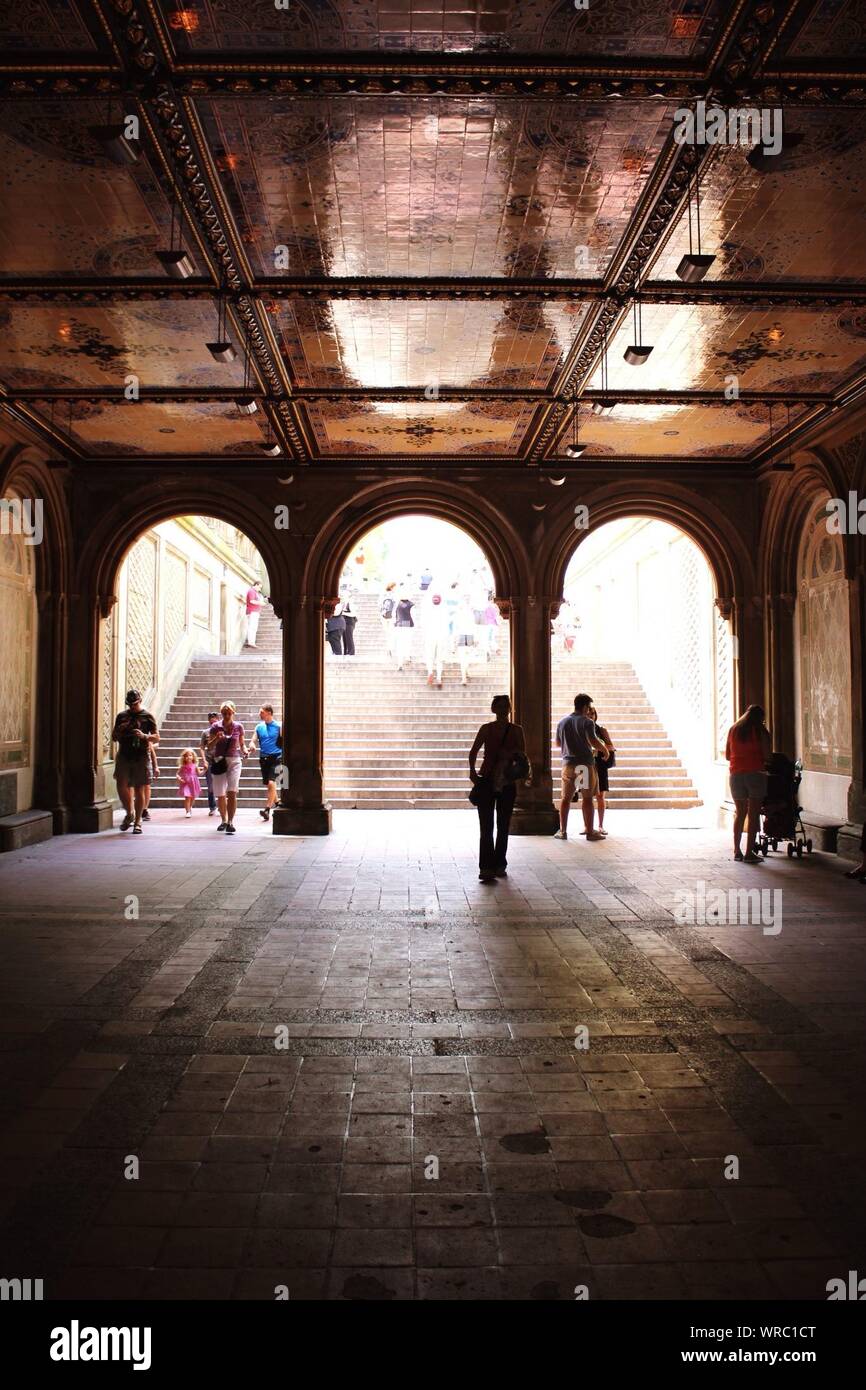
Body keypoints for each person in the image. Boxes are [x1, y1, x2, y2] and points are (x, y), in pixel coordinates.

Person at [469, 694, 529, 883]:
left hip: (507, 780)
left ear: (510, 709)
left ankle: (499, 863)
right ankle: (487, 866)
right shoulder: (486, 729)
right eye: (500, 706)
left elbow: (522, 754)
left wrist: (511, 756)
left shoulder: (516, 730)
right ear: (494, 709)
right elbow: (474, 751)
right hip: (487, 779)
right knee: (486, 826)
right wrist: (472, 772)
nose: (503, 709)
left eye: (506, 706)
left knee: (503, 825)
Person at [554, 693, 609, 841]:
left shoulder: (562, 722)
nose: (589, 710)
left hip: (567, 764)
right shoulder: (587, 722)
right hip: (583, 765)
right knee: (587, 798)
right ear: (585, 706)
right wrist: (604, 749)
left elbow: (558, 743)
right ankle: (590, 832)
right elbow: (593, 741)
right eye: (589, 707)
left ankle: (563, 831)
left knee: (565, 798)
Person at [726, 704, 772, 863]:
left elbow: (727, 755)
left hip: (735, 775)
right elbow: (768, 756)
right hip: (755, 775)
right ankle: (749, 853)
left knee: (739, 813)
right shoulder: (760, 731)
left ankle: (737, 850)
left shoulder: (733, 730)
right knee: (753, 815)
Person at [111, 689, 159, 835]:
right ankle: (129, 812)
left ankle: (138, 821)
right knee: (121, 784)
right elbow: (113, 737)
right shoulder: (121, 716)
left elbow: (157, 737)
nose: (132, 706)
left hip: (141, 755)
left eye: (135, 703)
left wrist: (144, 736)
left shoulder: (147, 716)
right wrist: (120, 729)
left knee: (139, 788)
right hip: (124, 754)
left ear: (140, 701)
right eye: (130, 704)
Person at [206, 701, 248, 835]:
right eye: (224, 713)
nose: (226, 715)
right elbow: (209, 746)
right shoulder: (215, 727)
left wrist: (245, 751)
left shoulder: (239, 727)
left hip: (234, 760)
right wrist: (216, 739)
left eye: (229, 713)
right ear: (221, 713)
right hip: (219, 761)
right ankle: (223, 820)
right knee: (221, 793)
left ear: (233, 712)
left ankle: (230, 822)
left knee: (232, 791)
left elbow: (242, 744)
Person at [249, 703, 282, 822]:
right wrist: (252, 745)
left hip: (277, 757)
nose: (259, 714)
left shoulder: (279, 726)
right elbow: (253, 740)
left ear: (269, 713)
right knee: (269, 784)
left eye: (261, 712)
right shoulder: (259, 727)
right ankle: (277, 802)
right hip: (264, 759)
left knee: (271, 782)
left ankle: (267, 809)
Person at [589, 704, 616, 838]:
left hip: (600, 765)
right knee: (587, 797)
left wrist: (600, 746)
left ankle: (600, 825)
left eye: (593, 714)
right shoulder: (581, 729)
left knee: (600, 796)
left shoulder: (601, 730)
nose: (590, 716)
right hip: (587, 764)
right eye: (588, 714)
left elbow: (611, 747)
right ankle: (587, 826)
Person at [425, 593, 450, 688]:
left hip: (430, 636)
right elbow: (447, 625)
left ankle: (430, 673)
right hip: (441, 637)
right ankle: (439, 678)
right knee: (439, 659)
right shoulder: (444, 611)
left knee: (430, 657)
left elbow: (424, 624)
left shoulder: (429, 611)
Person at [200, 709, 219, 816]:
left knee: (223, 784)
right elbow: (202, 747)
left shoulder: (222, 731)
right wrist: (204, 761)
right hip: (209, 760)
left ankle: (222, 805)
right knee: (210, 785)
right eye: (211, 722)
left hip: (220, 760)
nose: (213, 724)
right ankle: (212, 806)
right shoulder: (205, 733)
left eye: (215, 722)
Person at [454, 598, 476, 684]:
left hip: (462, 636)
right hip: (468, 636)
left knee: (463, 658)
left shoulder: (459, 614)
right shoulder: (470, 614)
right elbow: (474, 626)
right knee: (466, 657)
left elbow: (456, 628)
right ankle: (465, 675)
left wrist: (454, 640)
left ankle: (464, 677)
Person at [177, 747, 204, 818]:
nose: (188, 757)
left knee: (192, 797)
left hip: (193, 783)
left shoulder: (195, 765)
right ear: (184, 757)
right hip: (186, 783)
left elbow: (200, 773)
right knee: (187, 797)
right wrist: (179, 778)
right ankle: (187, 811)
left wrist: (205, 770)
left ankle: (190, 807)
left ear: (193, 757)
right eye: (186, 756)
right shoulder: (183, 766)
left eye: (190, 755)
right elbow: (177, 774)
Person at [394, 592, 414, 671]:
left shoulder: (397, 604)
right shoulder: (411, 604)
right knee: (407, 642)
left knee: (400, 645)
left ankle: (400, 664)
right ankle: (407, 657)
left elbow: (393, 615)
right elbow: (413, 616)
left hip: (399, 625)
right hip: (408, 625)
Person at [380, 583, 397, 657]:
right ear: (392, 587)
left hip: (384, 615)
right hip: (392, 616)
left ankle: (388, 648)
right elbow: (396, 605)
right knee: (391, 633)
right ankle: (390, 648)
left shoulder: (382, 594)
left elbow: (379, 605)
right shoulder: (395, 595)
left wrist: (382, 613)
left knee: (387, 633)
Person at [245, 578, 263, 648]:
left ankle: (252, 642)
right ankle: (251, 642)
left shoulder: (255, 592)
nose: (260, 589)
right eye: (259, 587)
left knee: (254, 627)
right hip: (252, 611)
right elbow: (251, 601)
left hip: (255, 611)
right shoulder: (251, 591)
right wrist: (260, 603)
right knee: (252, 627)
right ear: (256, 585)